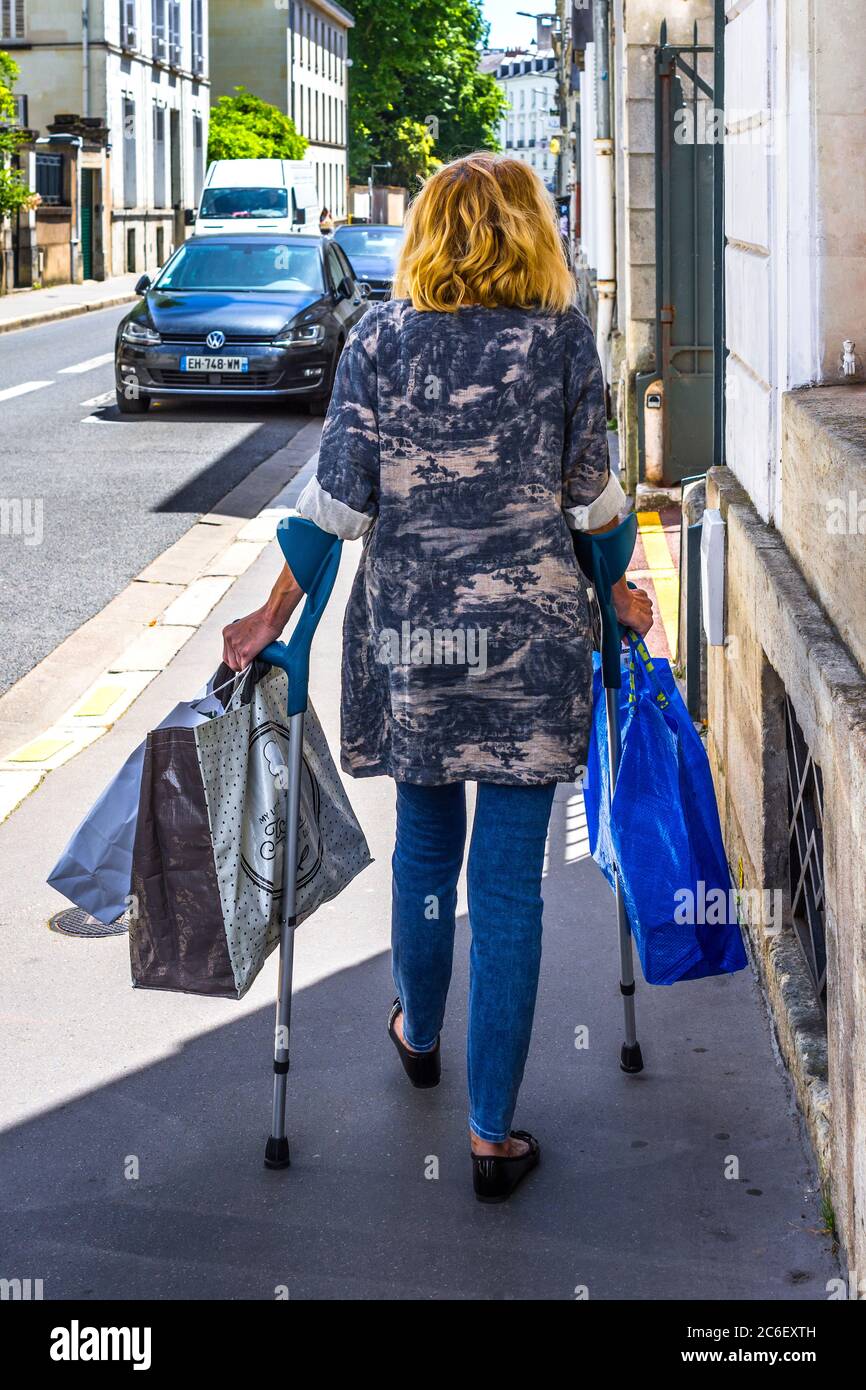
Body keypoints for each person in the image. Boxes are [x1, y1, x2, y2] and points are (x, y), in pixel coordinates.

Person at [223, 153, 653, 1204]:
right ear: (529, 234)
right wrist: (620, 597)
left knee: (427, 844)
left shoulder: (377, 339)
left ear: (427, 234)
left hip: (414, 638)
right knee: (507, 886)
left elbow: (333, 507)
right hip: (532, 636)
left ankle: (418, 1033)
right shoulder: (557, 343)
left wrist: (269, 616)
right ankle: (490, 1134)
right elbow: (594, 504)